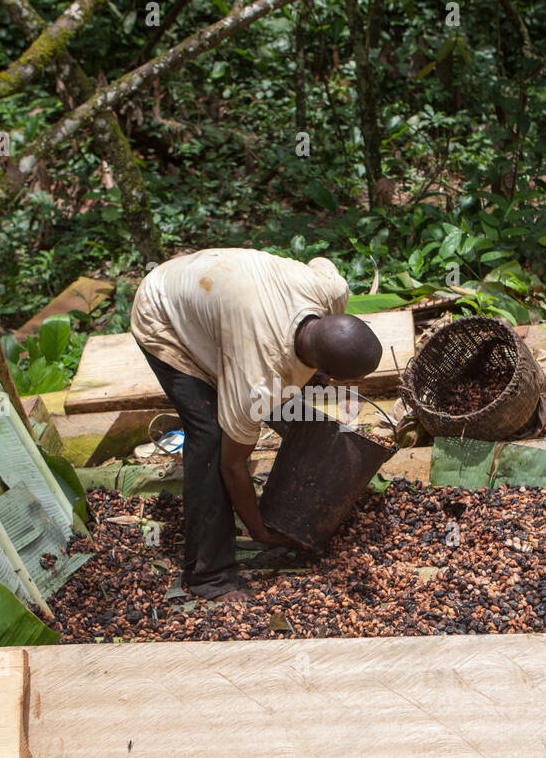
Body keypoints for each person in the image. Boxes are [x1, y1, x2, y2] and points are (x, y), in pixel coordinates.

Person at [130, 248, 383, 598]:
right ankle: (210, 576)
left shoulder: (329, 290)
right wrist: (258, 528)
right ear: (326, 369)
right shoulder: (257, 381)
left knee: (293, 399)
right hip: (163, 312)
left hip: (214, 283)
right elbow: (233, 465)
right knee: (210, 438)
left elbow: (322, 263)